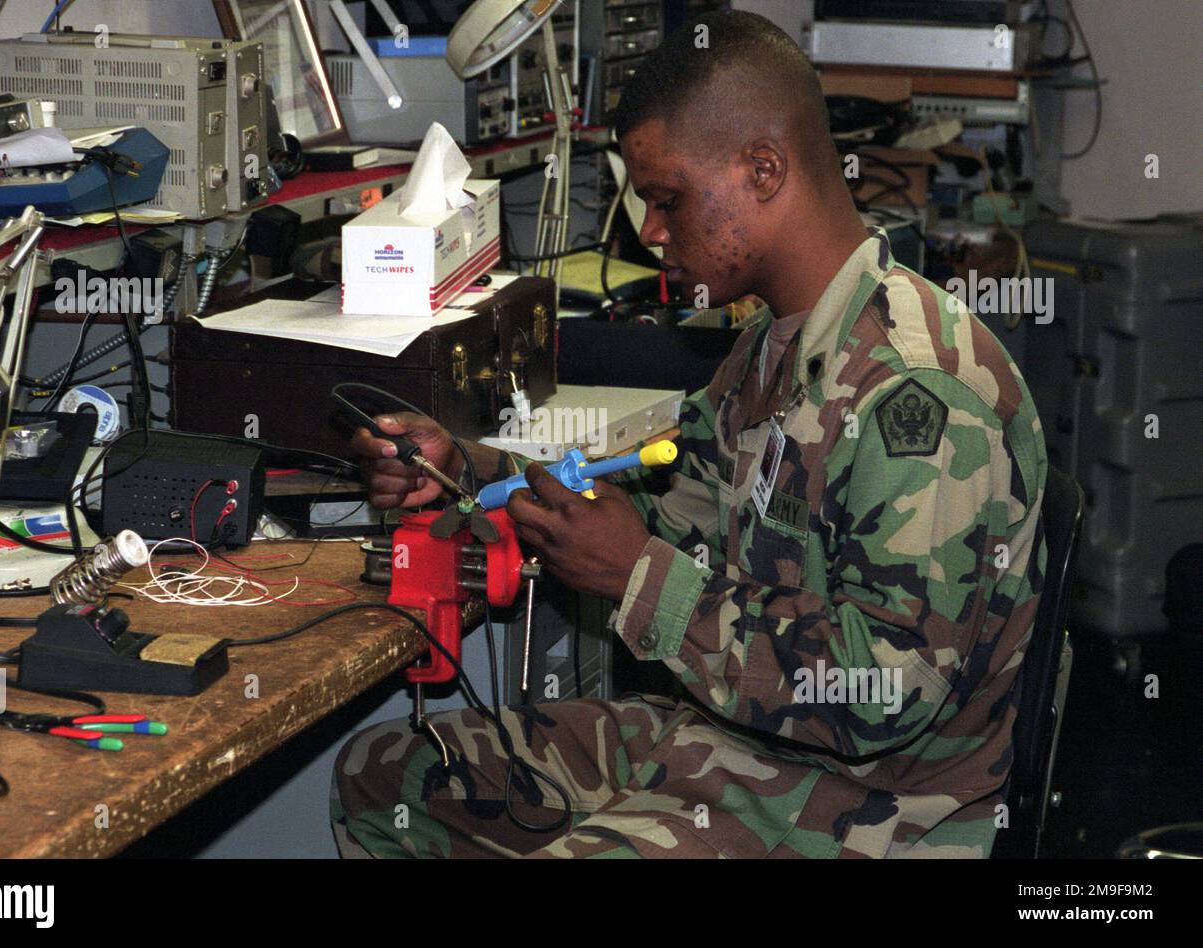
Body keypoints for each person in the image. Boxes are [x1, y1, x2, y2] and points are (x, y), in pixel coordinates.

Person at [331, 10, 1047, 858]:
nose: (653, 232)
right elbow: (672, 506)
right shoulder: (772, 345)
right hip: (742, 739)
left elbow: (886, 691)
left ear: (764, 170)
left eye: (668, 199)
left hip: (876, 805)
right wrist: (470, 470)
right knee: (391, 776)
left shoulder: (915, 394)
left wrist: (638, 577)